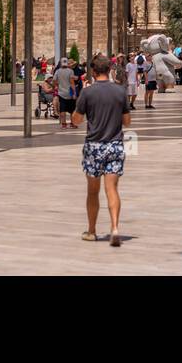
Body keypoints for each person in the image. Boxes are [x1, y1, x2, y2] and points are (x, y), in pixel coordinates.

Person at [72, 53, 132, 247]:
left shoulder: (87, 93)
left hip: (94, 145)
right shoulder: (120, 92)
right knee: (112, 189)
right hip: (114, 144)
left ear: (93, 71)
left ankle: (91, 231)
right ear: (109, 70)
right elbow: (127, 122)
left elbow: (77, 120)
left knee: (93, 191)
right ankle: (115, 227)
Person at [55, 57, 77, 128]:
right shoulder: (70, 71)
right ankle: (72, 123)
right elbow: (72, 82)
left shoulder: (58, 71)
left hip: (61, 93)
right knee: (72, 109)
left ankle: (64, 124)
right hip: (69, 93)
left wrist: (56, 86)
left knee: (63, 109)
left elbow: (54, 80)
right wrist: (74, 92)